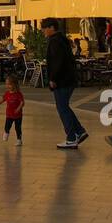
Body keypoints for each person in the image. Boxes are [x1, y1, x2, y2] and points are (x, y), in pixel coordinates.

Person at [42, 18, 88, 149]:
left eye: (44, 28)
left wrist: (53, 79)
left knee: (62, 108)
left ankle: (71, 138)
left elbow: (57, 62)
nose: (43, 31)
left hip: (62, 80)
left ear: (51, 27)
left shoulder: (55, 41)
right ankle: (79, 131)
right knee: (64, 107)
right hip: (68, 79)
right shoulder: (61, 39)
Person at [0, 74, 25, 145]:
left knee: (17, 128)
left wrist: (18, 109)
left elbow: (22, 103)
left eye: (9, 84)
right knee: (7, 126)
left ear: (14, 85)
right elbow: (3, 99)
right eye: (6, 84)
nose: (7, 86)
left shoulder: (18, 94)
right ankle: (6, 133)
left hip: (18, 115)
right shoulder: (7, 93)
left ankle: (19, 139)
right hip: (9, 114)